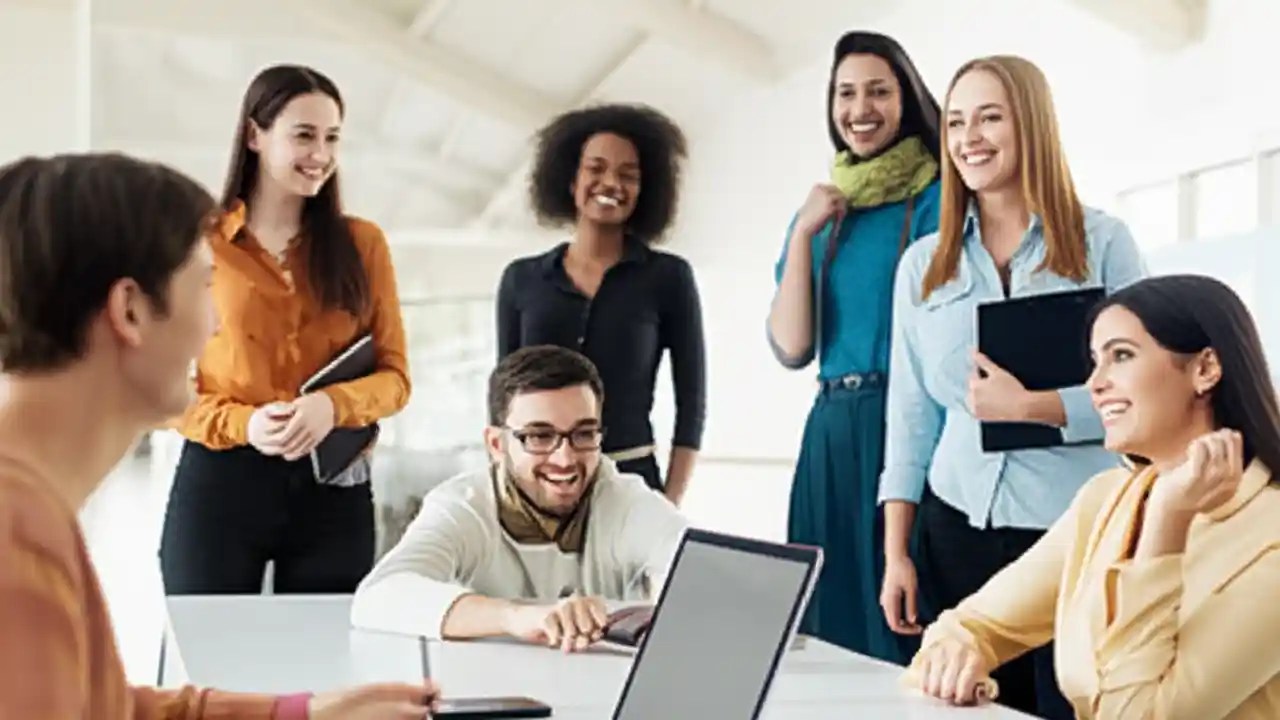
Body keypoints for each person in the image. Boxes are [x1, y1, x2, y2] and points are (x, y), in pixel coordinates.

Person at [0, 153, 438, 718]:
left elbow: (100, 706)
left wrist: (299, 713)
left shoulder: (35, 512)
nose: (214, 323)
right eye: (206, 286)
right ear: (129, 310)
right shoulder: (18, 536)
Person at [877, 55, 1146, 718]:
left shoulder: (1104, 244)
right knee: (960, 708)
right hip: (954, 530)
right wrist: (895, 554)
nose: (969, 137)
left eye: (990, 117)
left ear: (1031, 126)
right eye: (958, 122)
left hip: (1071, 536)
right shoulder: (921, 266)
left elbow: (1145, 390)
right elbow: (909, 419)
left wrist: (1037, 407)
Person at [905, 274, 1280, 719]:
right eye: (1094, 361)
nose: (1094, 384)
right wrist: (956, 661)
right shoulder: (1106, 499)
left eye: (1121, 356)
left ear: (1205, 369)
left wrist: (1167, 523)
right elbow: (968, 627)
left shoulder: (1268, 536)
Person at [161, 64, 411, 595]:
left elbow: (396, 379)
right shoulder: (198, 244)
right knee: (216, 656)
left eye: (331, 138)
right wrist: (244, 425)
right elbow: (162, 387)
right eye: (303, 135)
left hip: (333, 483)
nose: (320, 154)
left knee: (326, 663)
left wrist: (331, 406)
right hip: (221, 479)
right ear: (255, 135)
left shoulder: (363, 245)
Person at [765, 30, 942, 664]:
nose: (859, 109)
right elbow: (791, 347)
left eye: (878, 91)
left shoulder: (940, 198)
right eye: (845, 93)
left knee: (906, 619)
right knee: (826, 623)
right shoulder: (819, 210)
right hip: (831, 432)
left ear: (907, 99)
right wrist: (805, 233)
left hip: (911, 423)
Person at [350, 345, 688, 652]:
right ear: (496, 445)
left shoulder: (625, 499)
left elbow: (710, 571)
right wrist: (518, 617)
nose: (565, 459)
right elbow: (380, 595)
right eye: (539, 436)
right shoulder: (464, 505)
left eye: (583, 434)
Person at [495, 103, 705, 505]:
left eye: (629, 175)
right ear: (570, 180)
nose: (611, 182)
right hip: (539, 486)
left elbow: (691, 403)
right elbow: (502, 402)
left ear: (646, 190)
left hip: (632, 484)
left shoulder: (668, 277)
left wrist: (669, 503)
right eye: (596, 169)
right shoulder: (521, 280)